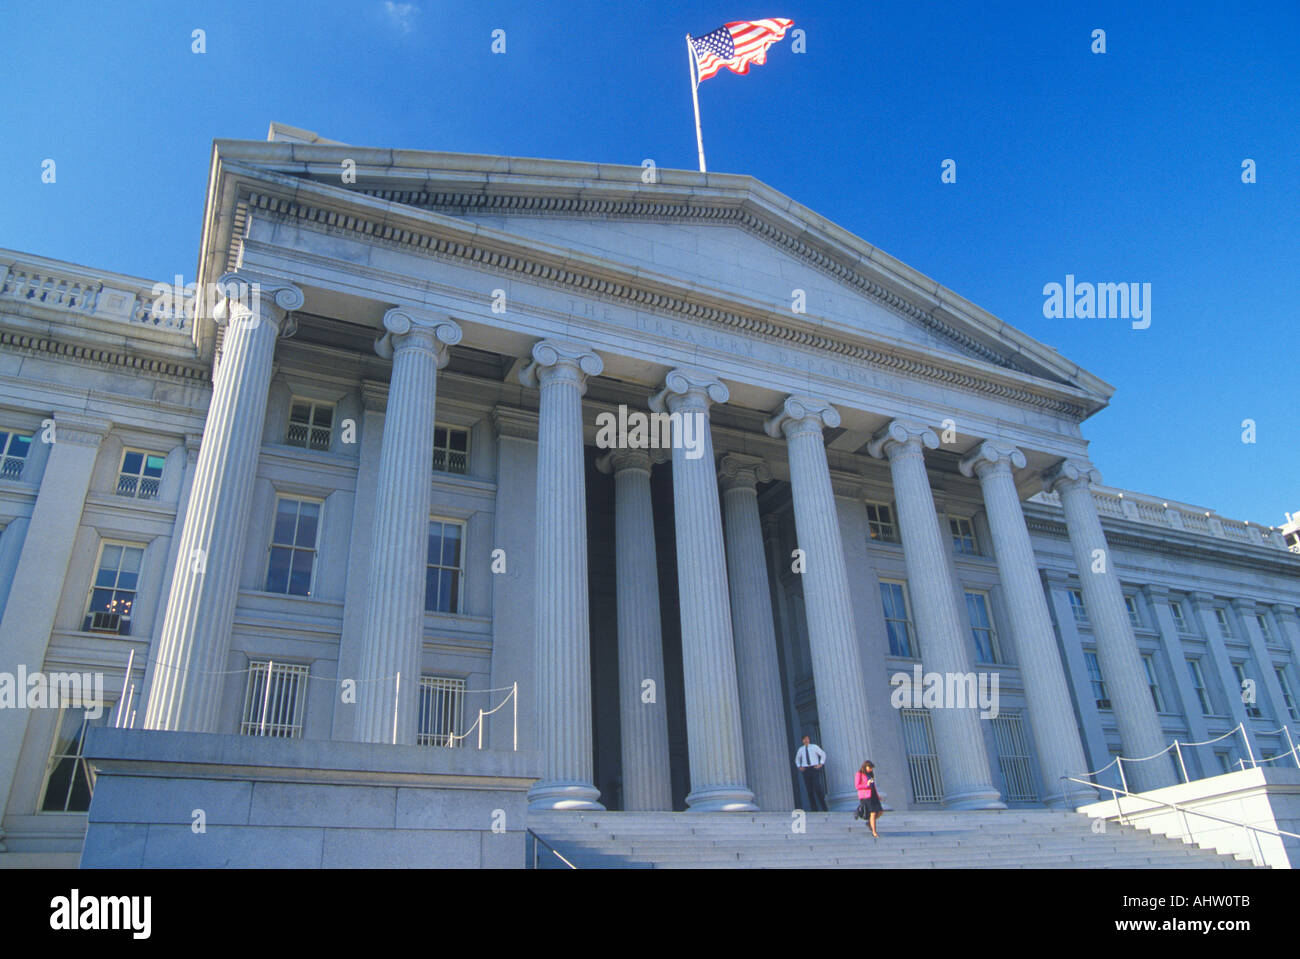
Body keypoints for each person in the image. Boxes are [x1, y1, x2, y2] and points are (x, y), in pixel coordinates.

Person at [795, 735, 828, 811]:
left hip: (814, 768)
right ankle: (814, 809)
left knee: (818, 788)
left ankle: (824, 807)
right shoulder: (801, 749)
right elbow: (797, 759)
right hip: (806, 769)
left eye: (807, 739)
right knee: (809, 789)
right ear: (802, 741)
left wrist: (820, 764)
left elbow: (823, 754)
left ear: (809, 740)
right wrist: (799, 766)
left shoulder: (814, 747)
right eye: (804, 739)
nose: (806, 740)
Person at [855, 760, 884, 838]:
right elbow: (857, 786)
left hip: (873, 795)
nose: (870, 769)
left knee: (880, 811)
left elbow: (873, 786)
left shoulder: (870, 775)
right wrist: (866, 785)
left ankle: (869, 823)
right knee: (873, 813)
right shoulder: (859, 774)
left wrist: (878, 796)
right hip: (866, 796)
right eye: (869, 767)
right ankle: (874, 832)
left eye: (871, 768)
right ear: (865, 766)